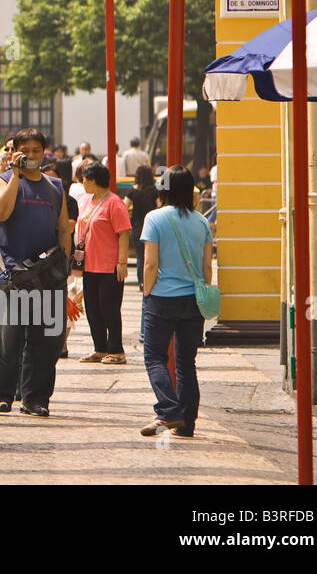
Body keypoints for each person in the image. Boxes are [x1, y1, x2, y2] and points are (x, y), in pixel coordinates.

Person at [0, 128, 71, 417]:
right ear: (14, 152)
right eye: (25, 150)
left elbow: (63, 229)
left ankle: (36, 399)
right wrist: (16, 176)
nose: (31, 155)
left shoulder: (54, 186)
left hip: (48, 276)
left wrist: (65, 267)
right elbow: (0, 213)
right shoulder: (1, 181)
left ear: (44, 152)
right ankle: (2, 396)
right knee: (8, 339)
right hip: (12, 275)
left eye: (36, 150)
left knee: (47, 341)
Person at [139, 166, 213, 438]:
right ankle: (188, 423)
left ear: (164, 190)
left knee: (154, 357)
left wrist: (147, 293)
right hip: (193, 299)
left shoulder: (154, 218)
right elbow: (207, 268)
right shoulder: (201, 221)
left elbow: (150, 263)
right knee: (186, 362)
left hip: (162, 298)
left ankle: (168, 411)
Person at [73, 162, 131, 365]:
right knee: (93, 309)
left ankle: (116, 350)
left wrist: (122, 262)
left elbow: (123, 233)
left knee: (110, 309)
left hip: (109, 266)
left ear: (94, 180)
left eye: (84, 179)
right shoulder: (88, 200)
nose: (82, 182)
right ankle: (100, 348)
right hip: (89, 265)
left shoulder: (114, 203)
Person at [127, 164, 158, 288]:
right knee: (151, 254)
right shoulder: (154, 190)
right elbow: (159, 205)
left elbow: (124, 206)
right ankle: (151, 280)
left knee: (140, 256)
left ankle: (141, 281)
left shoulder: (133, 190)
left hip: (137, 225)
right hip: (151, 226)